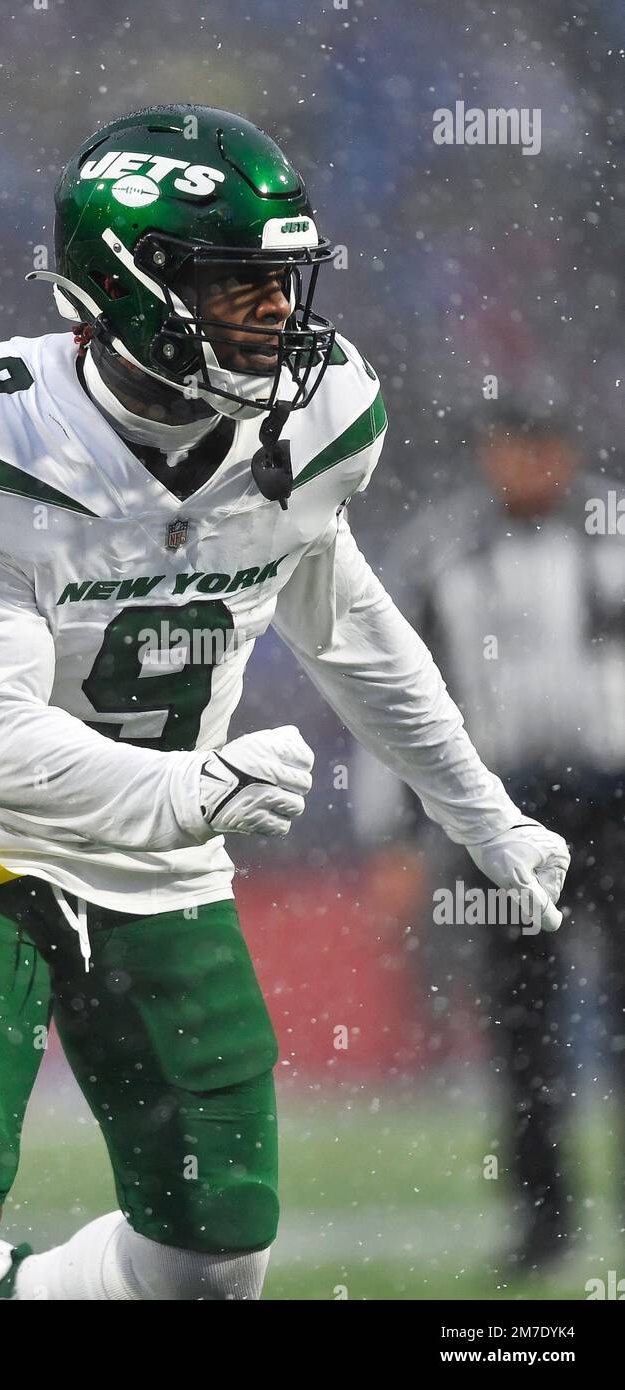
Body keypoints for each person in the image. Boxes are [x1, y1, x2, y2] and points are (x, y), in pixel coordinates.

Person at [0, 105, 569, 1301]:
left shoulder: (314, 422)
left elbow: (347, 624)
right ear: (126, 287)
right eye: (238, 285)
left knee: (213, 1259)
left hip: (160, 858)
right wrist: (191, 787)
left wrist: (479, 809)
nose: (279, 315)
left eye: (285, 283)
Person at [352, 408, 625, 1273]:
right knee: (523, 1030)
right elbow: (396, 702)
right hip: (508, 813)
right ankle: (544, 1222)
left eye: (545, 443)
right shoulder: (442, 557)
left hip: (617, 804)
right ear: (488, 452)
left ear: (570, 450)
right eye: (512, 443)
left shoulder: (615, 536)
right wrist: (395, 834)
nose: (529, 462)